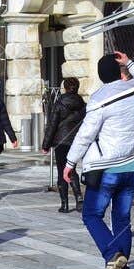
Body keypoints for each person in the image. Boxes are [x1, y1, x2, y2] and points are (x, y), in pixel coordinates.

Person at [64, 51, 134, 269]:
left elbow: (85, 135)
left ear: (101, 76)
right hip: (132, 163)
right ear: (119, 70)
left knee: (91, 214)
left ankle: (112, 255)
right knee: (121, 218)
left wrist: (70, 162)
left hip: (105, 168)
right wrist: (130, 63)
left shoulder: (99, 98)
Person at [40, 78, 87, 213]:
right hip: (76, 141)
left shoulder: (59, 103)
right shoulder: (83, 104)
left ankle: (64, 204)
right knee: (71, 168)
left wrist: (46, 145)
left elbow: (52, 125)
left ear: (65, 88)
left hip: (61, 141)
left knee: (63, 171)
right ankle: (78, 197)